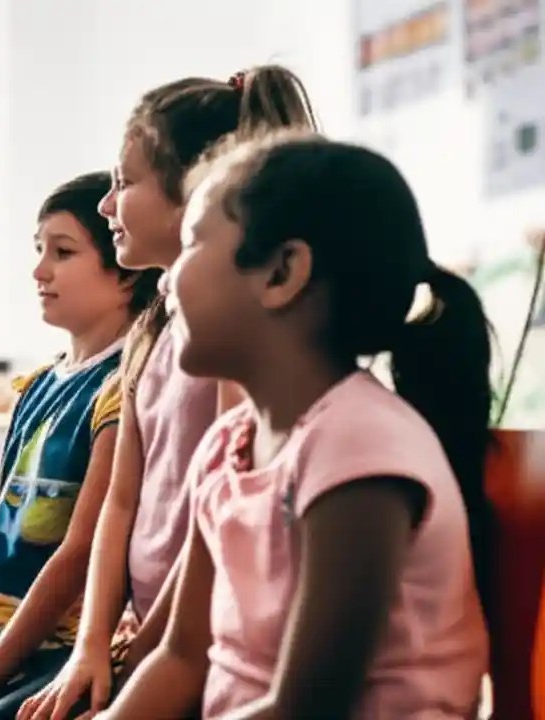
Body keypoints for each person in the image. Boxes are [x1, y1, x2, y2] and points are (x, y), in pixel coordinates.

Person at [107, 132, 493, 718]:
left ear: (281, 272)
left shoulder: (359, 444)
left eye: (190, 246)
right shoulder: (225, 449)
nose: (165, 281)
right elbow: (182, 658)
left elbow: (305, 711)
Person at [21, 66, 319, 720]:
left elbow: (217, 525)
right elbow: (121, 501)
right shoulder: (152, 329)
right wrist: (93, 645)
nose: (106, 204)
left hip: (200, 638)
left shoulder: (229, 340)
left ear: (195, 196)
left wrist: (141, 658)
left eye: (124, 184)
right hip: (147, 633)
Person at [0, 173, 162, 720]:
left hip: (59, 652)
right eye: (39, 250)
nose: (39, 270)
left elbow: (77, 553)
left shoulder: (121, 388)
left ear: (124, 276)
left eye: (63, 252)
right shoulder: (37, 386)